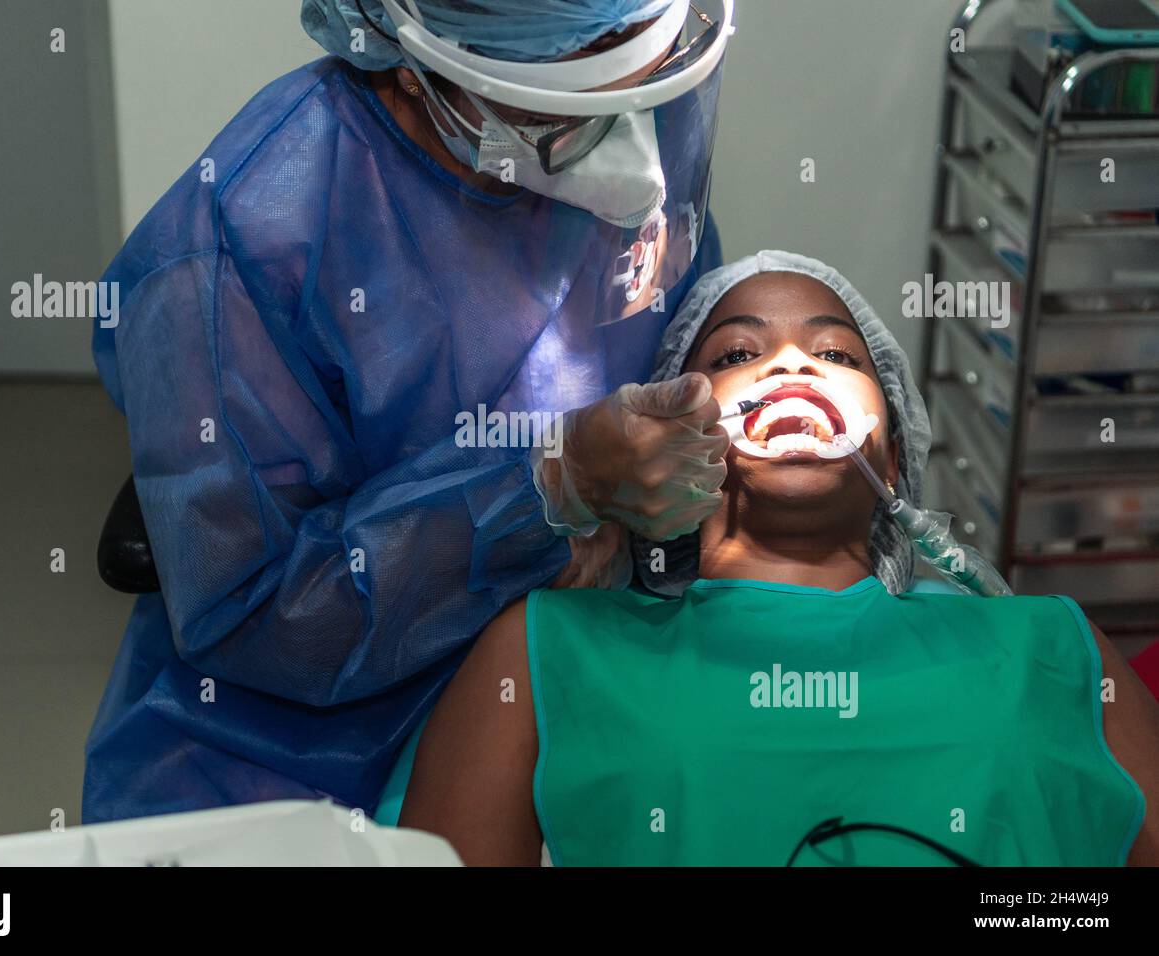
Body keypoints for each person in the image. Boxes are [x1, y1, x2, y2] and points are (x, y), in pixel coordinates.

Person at [83, 1, 735, 822]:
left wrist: (646, 504)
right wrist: (549, 493)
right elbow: (249, 616)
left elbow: (685, 322)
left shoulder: (642, 82)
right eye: (566, 107)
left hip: (575, 680)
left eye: (642, 77)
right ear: (414, 64)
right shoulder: (240, 248)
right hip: (288, 756)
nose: (633, 144)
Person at [392, 251, 1159, 866]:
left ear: (893, 464)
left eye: (834, 352)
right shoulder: (544, 650)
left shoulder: (1052, 645)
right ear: (667, 445)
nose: (793, 365)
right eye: (737, 352)